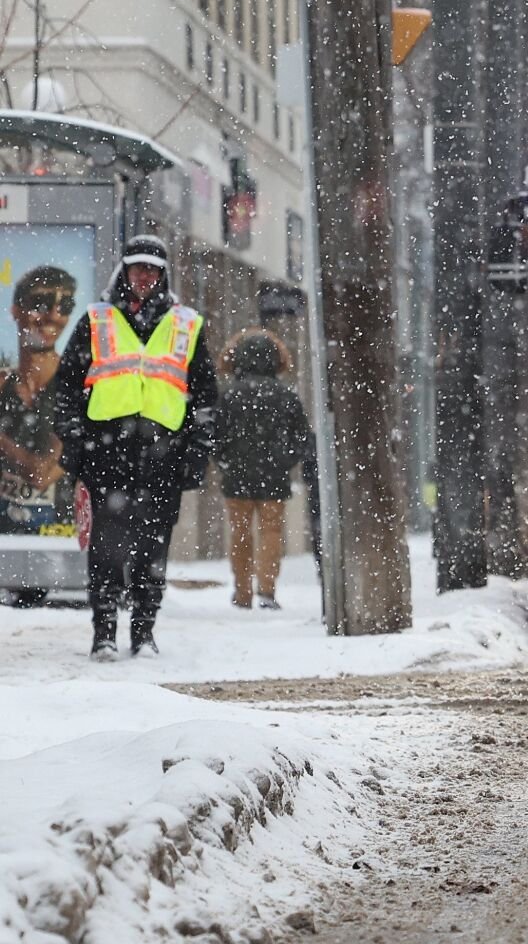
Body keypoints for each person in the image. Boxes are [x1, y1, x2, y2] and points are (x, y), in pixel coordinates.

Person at [53, 235, 217, 660]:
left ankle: (144, 633)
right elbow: (67, 385)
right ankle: (104, 632)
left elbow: (205, 395)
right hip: (106, 453)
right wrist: (74, 438)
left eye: (152, 270)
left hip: (166, 455)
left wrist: (198, 450)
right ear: (123, 271)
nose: (144, 277)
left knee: (152, 546)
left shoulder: (186, 324)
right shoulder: (98, 320)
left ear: (163, 276)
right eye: (137, 268)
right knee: (106, 547)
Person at [216, 328, 312, 611]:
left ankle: (242, 590)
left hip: (237, 476)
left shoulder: (229, 395)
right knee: (271, 532)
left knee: (240, 533)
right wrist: (285, 460)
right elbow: (301, 437)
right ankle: (267, 590)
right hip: (274, 476)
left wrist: (225, 460)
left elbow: (216, 435)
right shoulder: (286, 396)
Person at [0, 267, 78, 535]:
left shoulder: (75, 390)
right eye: (41, 303)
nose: (54, 315)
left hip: (59, 535)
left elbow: (41, 473)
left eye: (65, 306)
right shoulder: (5, 386)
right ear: (15, 310)